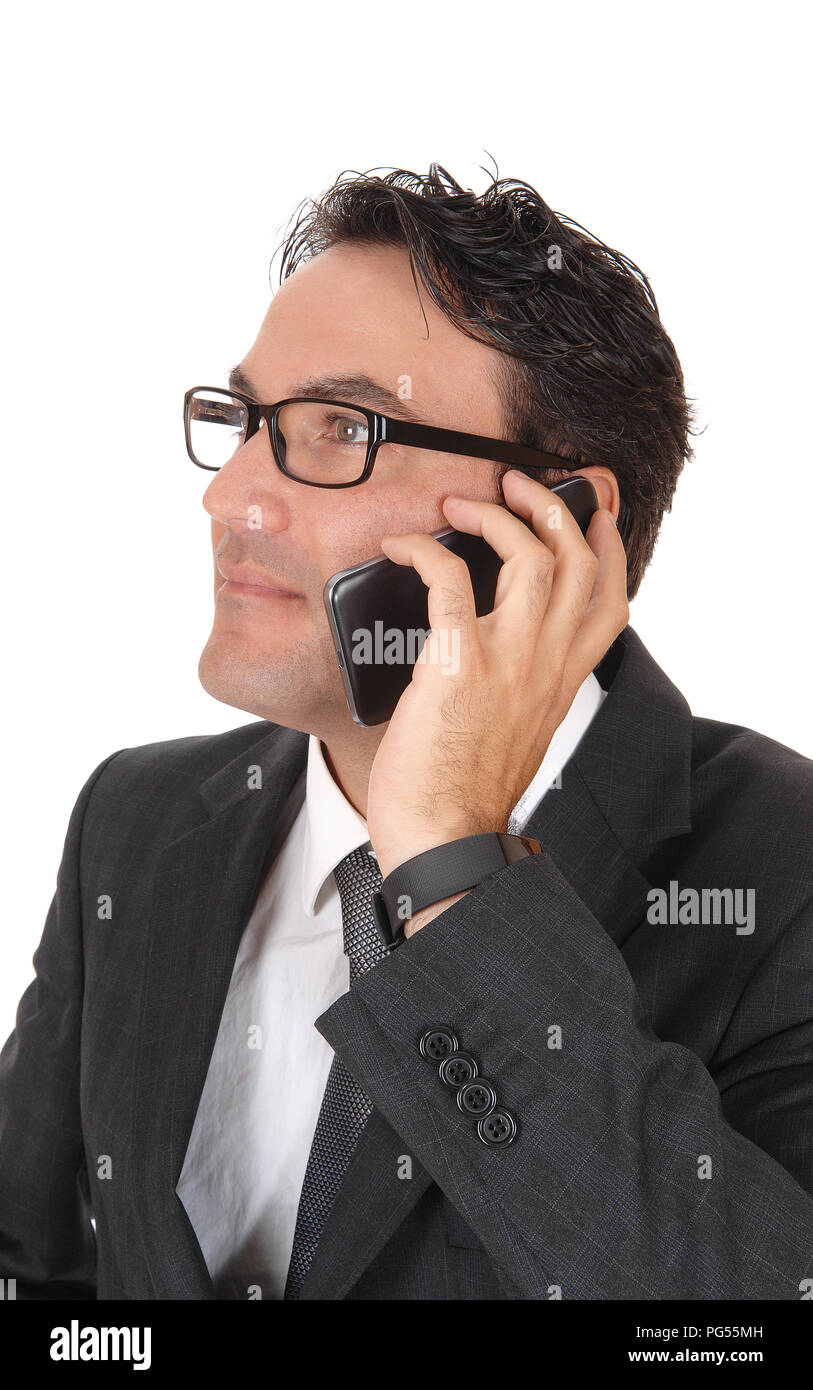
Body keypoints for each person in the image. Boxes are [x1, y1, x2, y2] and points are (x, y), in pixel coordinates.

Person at [1, 164, 811, 1301]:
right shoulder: (131, 825)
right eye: (243, 421)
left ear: (557, 517)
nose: (231, 496)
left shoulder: (784, 866)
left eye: (340, 427)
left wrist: (450, 862)